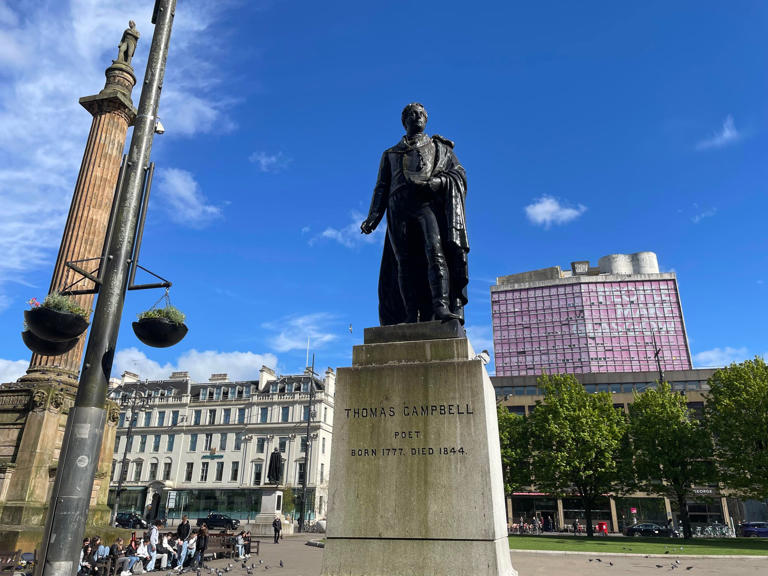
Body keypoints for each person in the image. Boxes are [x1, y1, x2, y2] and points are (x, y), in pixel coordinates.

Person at [361, 102, 469, 325]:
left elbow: (458, 174)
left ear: (426, 120)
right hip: (397, 207)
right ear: (404, 121)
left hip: (425, 204)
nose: (417, 117)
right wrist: (373, 216)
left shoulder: (440, 149)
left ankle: (441, 305)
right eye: (412, 114)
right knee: (403, 262)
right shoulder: (390, 153)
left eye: (421, 114)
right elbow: (381, 186)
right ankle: (411, 314)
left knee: (435, 251)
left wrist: (437, 182)